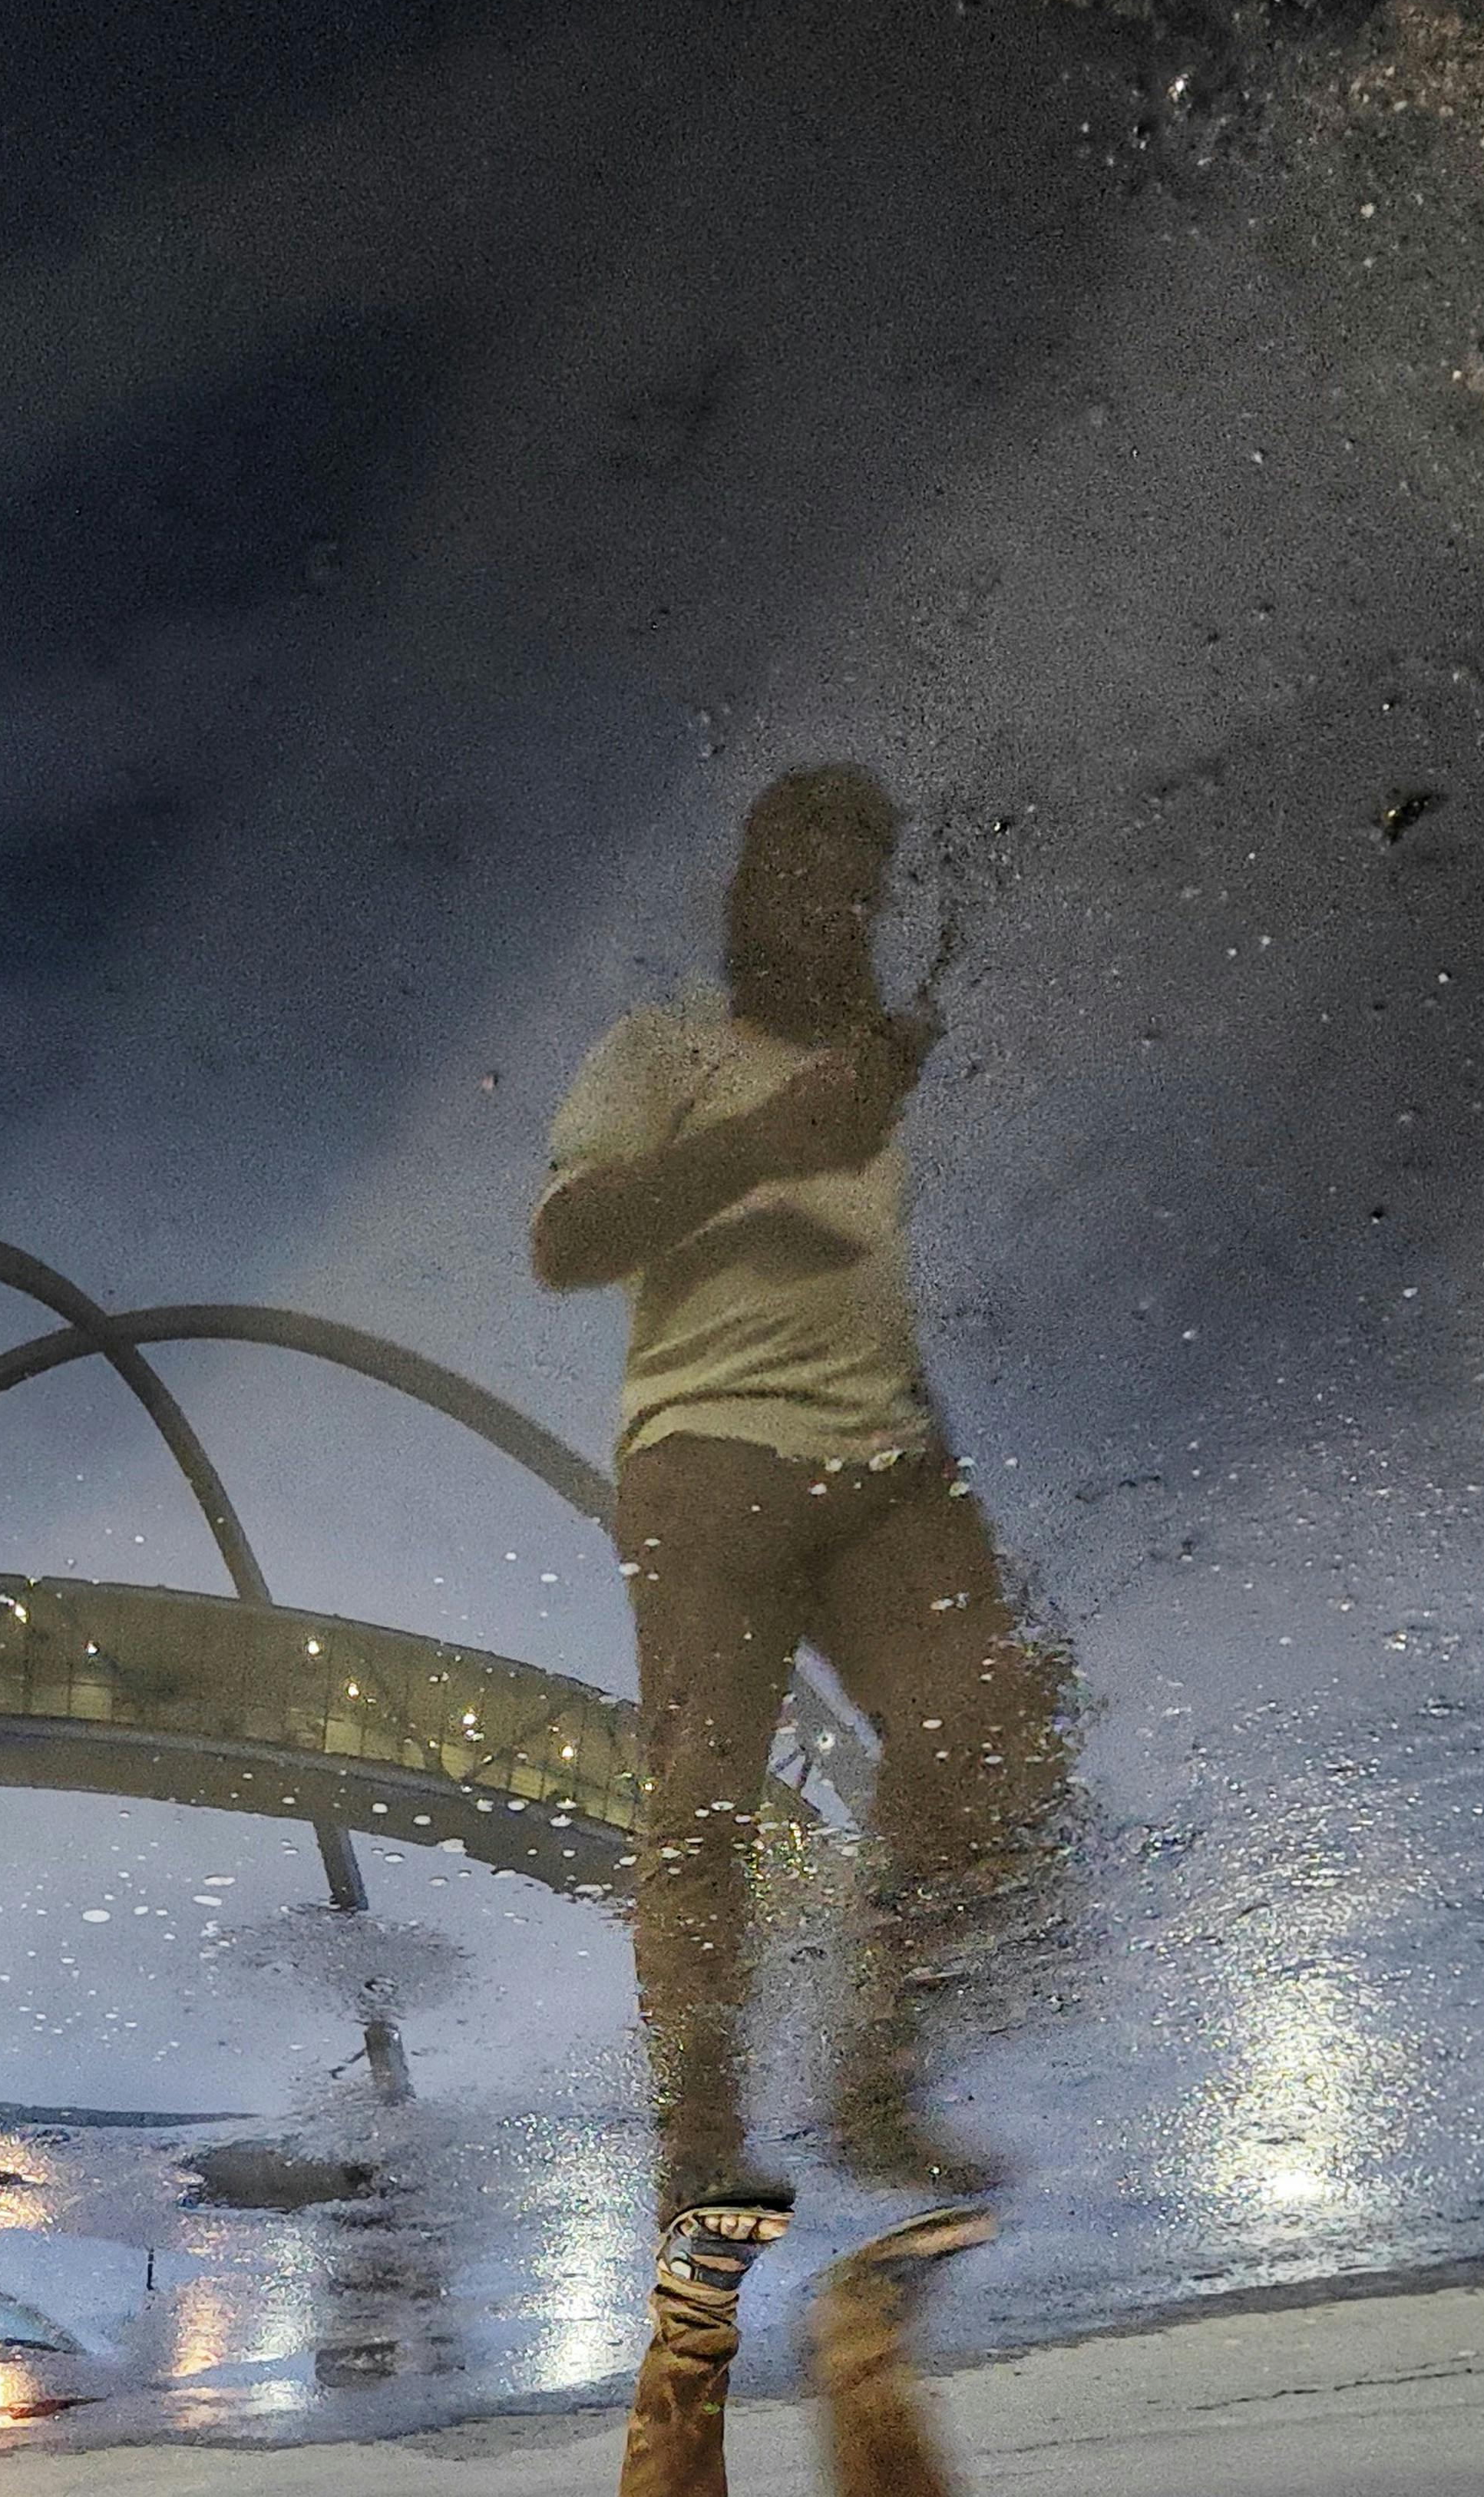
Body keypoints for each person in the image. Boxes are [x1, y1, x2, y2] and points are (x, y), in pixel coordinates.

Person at [536, 765, 1078, 2497]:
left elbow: (864, 1292)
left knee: (1001, 1733)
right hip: (706, 1458)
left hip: (888, 1460)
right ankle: (702, 2154)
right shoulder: (662, 1050)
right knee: (700, 1793)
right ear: (743, 890)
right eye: (798, 872)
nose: (830, 906)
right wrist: (768, 1144)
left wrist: (935, 1461)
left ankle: (872, 2072)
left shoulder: (876, 1084)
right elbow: (567, 1239)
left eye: (860, 880)